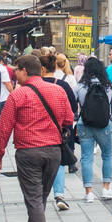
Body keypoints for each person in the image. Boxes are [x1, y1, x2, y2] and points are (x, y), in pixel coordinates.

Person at [0, 54, 73, 222]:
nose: (15, 74)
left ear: (25, 71)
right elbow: (68, 120)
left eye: (16, 70)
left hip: (29, 152)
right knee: (39, 197)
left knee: (34, 198)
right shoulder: (58, 90)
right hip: (54, 151)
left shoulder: (18, 95)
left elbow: (4, 127)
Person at [73, 56, 112, 204]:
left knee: (86, 157)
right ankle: (106, 188)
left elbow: (73, 106)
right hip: (103, 124)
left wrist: (77, 118)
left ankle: (89, 193)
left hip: (84, 124)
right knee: (107, 155)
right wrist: (111, 119)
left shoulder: (79, 86)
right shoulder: (109, 86)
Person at [40, 53, 80, 212]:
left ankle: (39, 197)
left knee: (38, 166)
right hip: (57, 132)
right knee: (57, 164)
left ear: (42, 69)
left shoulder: (35, 84)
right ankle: (59, 195)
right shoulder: (63, 85)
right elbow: (71, 109)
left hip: (37, 132)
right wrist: (67, 130)